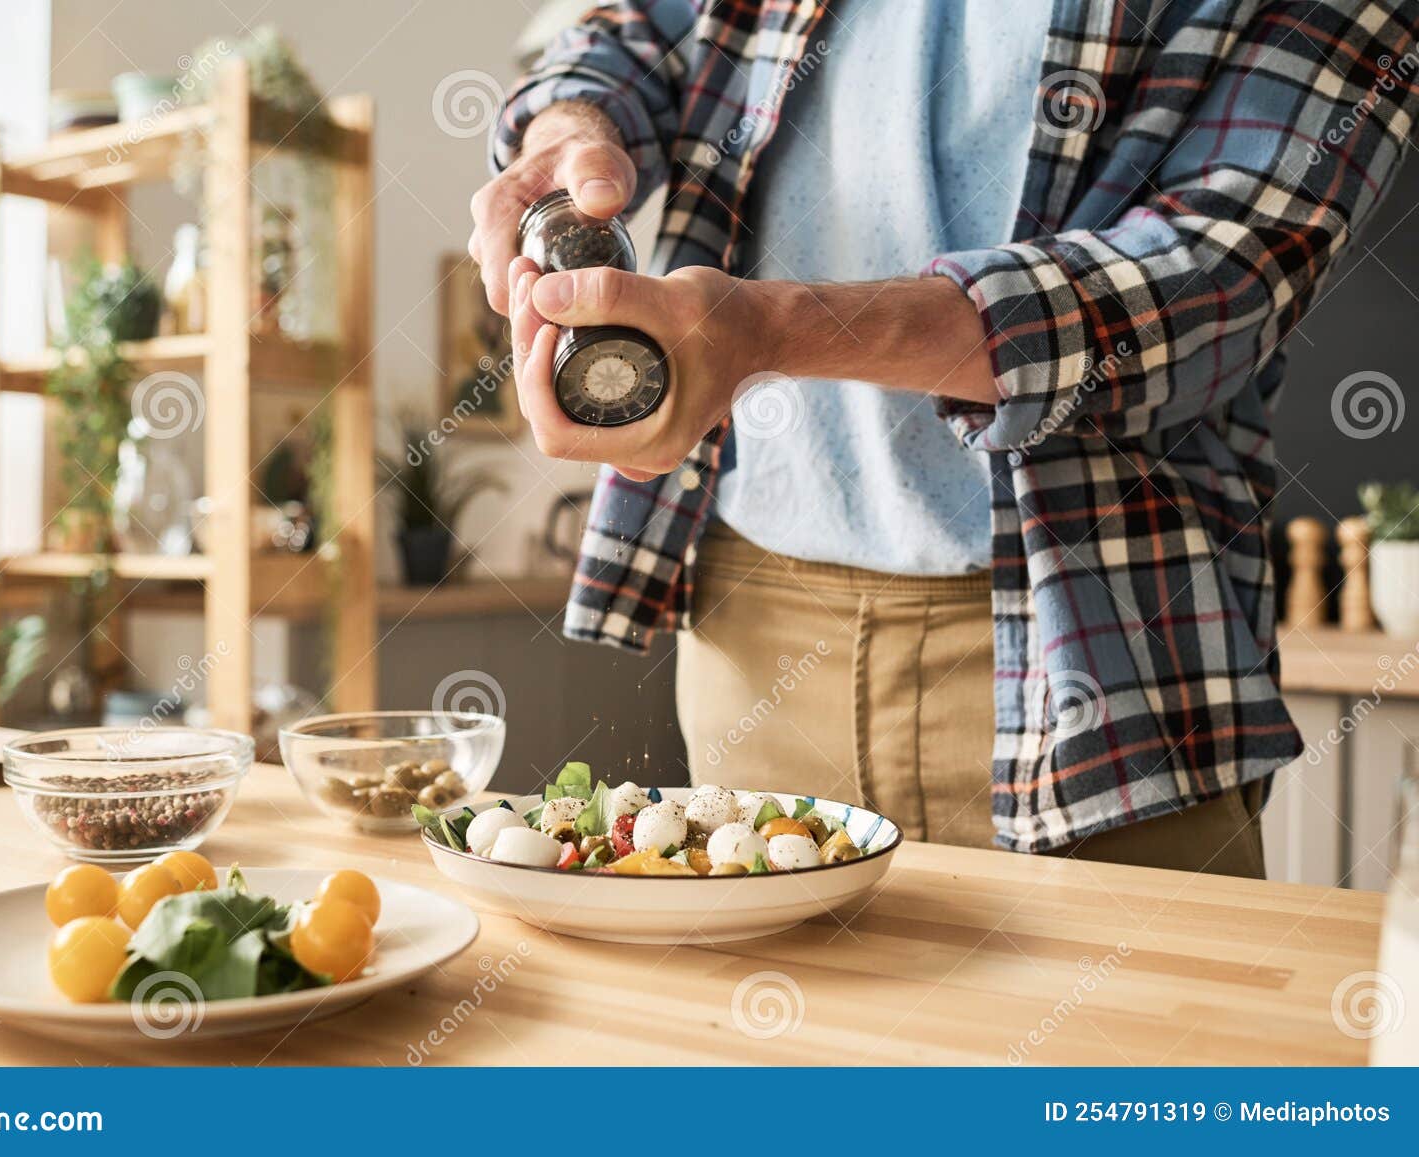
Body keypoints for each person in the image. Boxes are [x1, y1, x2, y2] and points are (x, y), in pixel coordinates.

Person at [469, 0, 1419, 876]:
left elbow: (1211, 278)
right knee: (771, 1055)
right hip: (751, 630)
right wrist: (568, 132)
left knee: (1125, 1056)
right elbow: (626, 28)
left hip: (1102, 659)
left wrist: (767, 330)